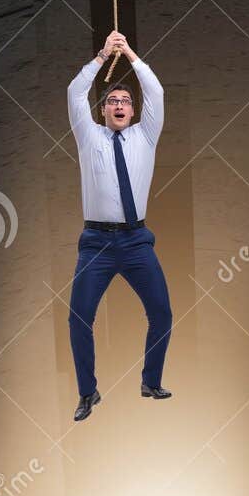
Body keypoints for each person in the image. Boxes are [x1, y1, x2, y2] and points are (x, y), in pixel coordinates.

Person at [64, 31, 173, 422]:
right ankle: (88, 392)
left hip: (136, 241)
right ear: (103, 110)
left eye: (126, 101)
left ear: (133, 109)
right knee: (79, 318)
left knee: (162, 314)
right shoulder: (88, 135)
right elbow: (75, 93)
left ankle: (150, 380)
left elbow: (157, 92)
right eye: (113, 100)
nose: (120, 105)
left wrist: (127, 53)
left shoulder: (146, 135)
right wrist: (100, 59)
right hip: (95, 242)